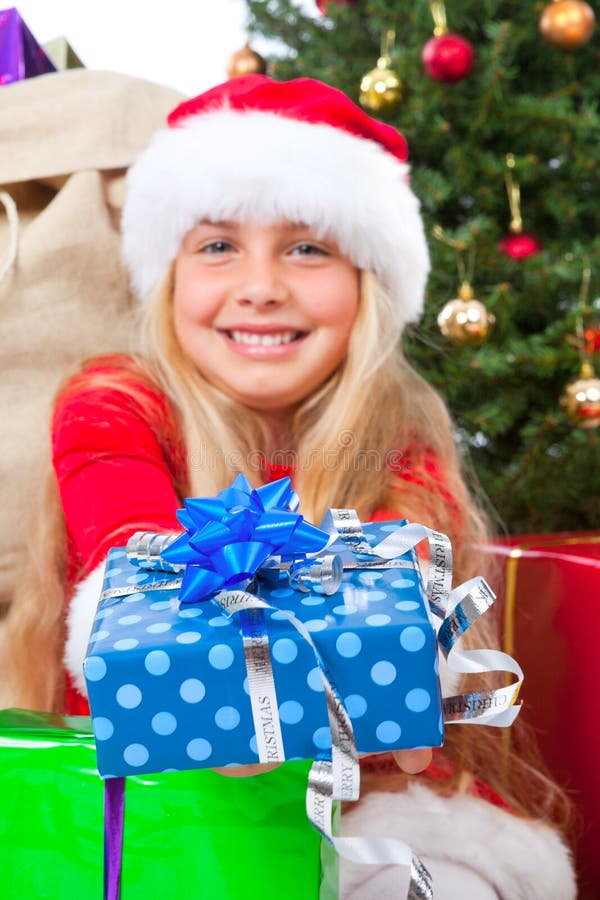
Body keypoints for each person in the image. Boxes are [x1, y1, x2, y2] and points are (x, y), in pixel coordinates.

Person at [5, 75, 575, 898]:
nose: (262, 284)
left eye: (307, 247)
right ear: (169, 276)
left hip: (358, 798)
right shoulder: (114, 402)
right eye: (217, 246)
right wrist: (237, 690)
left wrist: (402, 677)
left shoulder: (399, 430)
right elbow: (131, 571)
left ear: (366, 283)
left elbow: (406, 618)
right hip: (156, 795)